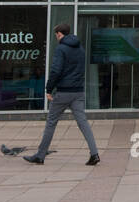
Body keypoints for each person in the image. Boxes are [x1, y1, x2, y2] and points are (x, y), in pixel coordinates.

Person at [23, 23, 100, 166]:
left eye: (56, 35)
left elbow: (56, 71)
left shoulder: (61, 49)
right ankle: (94, 153)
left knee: (51, 122)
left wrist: (48, 89)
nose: (56, 38)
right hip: (78, 92)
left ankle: (40, 156)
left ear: (59, 34)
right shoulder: (80, 49)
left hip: (63, 92)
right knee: (83, 123)